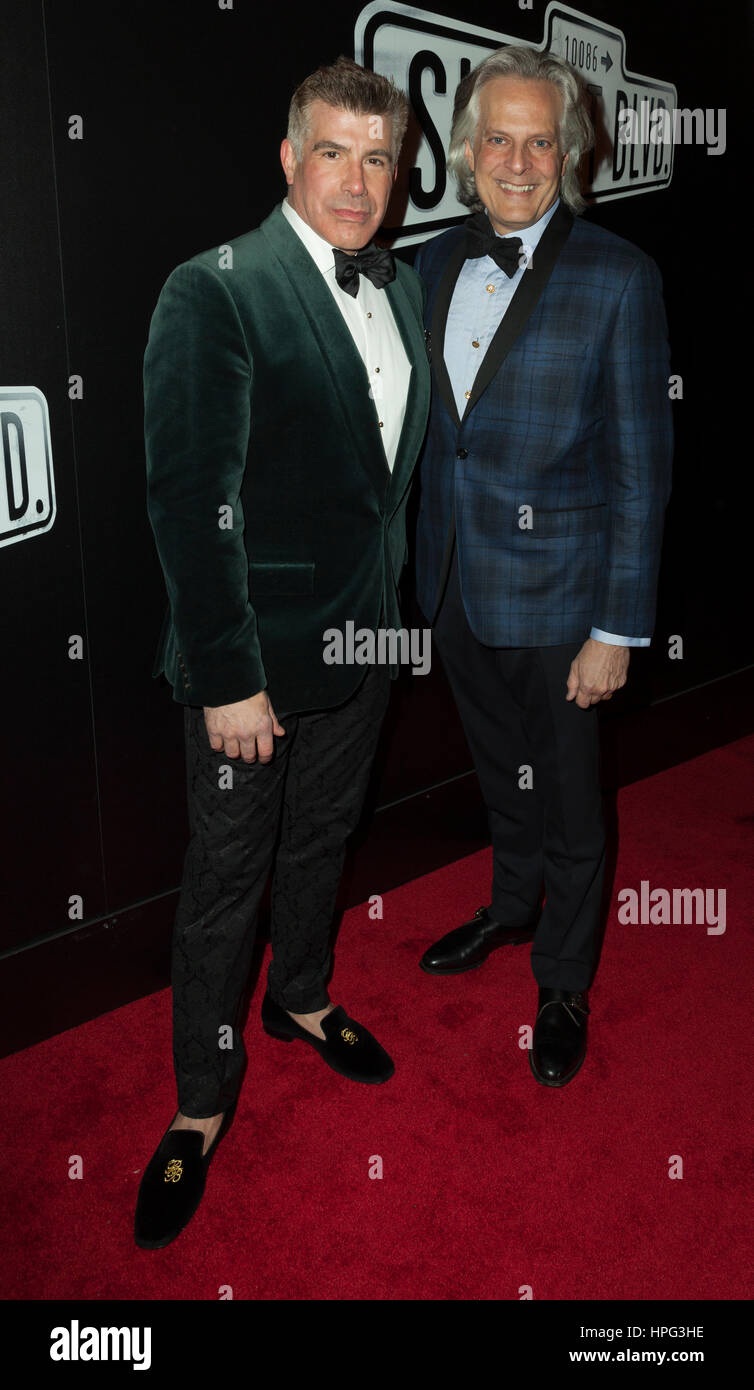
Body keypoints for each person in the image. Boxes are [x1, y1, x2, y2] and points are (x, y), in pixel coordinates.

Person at [135, 56, 430, 1248]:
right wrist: (229, 678)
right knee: (224, 879)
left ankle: (301, 995)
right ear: (286, 158)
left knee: (324, 834)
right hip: (253, 662)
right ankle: (201, 1101)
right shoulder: (215, 291)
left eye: (378, 159)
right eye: (332, 153)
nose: (356, 182)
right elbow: (185, 499)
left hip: (367, 634)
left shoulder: (398, 286)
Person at [414, 46, 673, 1087]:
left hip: (567, 605)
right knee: (499, 775)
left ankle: (563, 978)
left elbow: (639, 472)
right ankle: (510, 909)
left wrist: (616, 628)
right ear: (467, 149)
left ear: (569, 150)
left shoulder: (619, 276)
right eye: (498, 137)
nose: (517, 160)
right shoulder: (430, 259)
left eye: (539, 139)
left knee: (572, 801)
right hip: (455, 586)